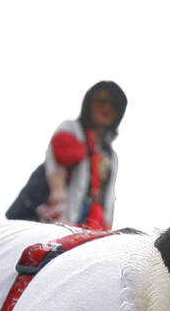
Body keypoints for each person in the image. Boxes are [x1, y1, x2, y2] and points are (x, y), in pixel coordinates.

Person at [7, 81, 127, 230]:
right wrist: (58, 192)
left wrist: (107, 226)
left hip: (91, 219)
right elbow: (56, 162)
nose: (106, 107)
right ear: (90, 103)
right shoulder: (71, 129)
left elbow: (108, 195)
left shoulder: (111, 155)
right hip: (58, 212)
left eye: (114, 105)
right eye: (101, 101)